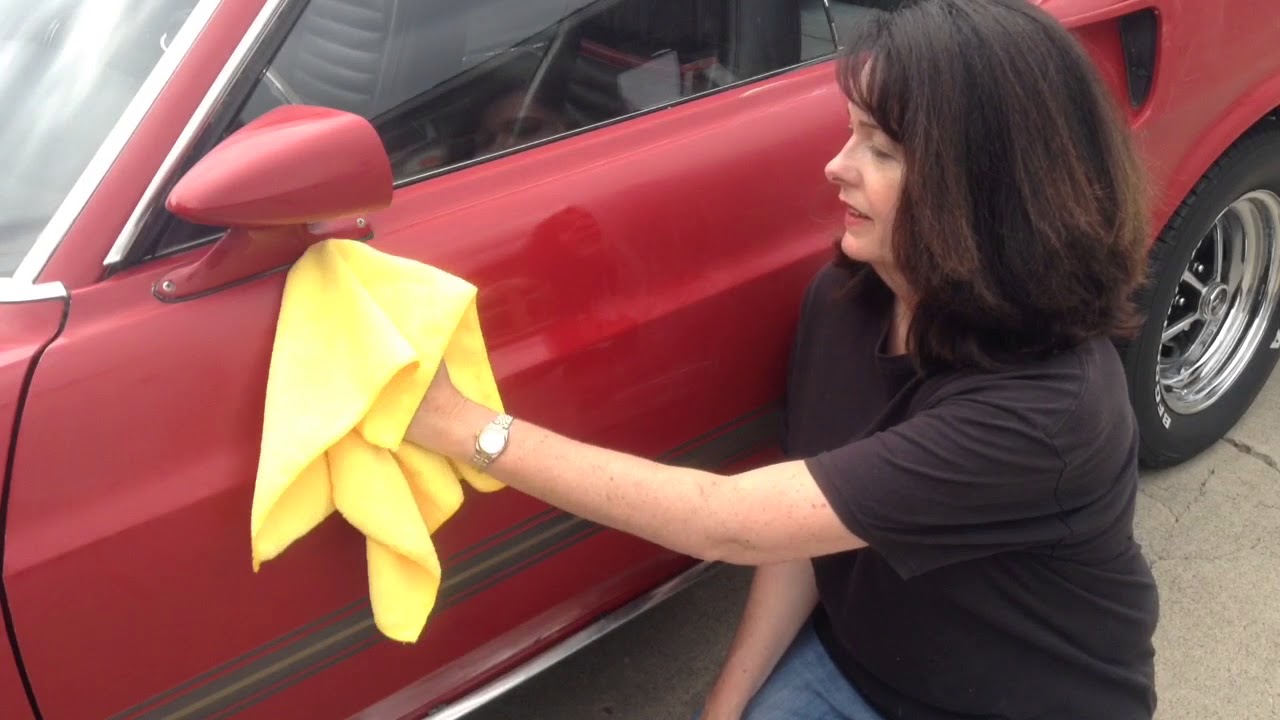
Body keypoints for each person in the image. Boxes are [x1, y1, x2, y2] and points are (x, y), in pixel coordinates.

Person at [405, 1, 1160, 718]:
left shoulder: (1046, 413)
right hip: (855, 670)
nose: (836, 166)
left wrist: (462, 425)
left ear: (986, 191)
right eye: (850, 132)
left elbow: (728, 523)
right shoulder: (850, 296)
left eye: (881, 149)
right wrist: (729, 699)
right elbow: (799, 532)